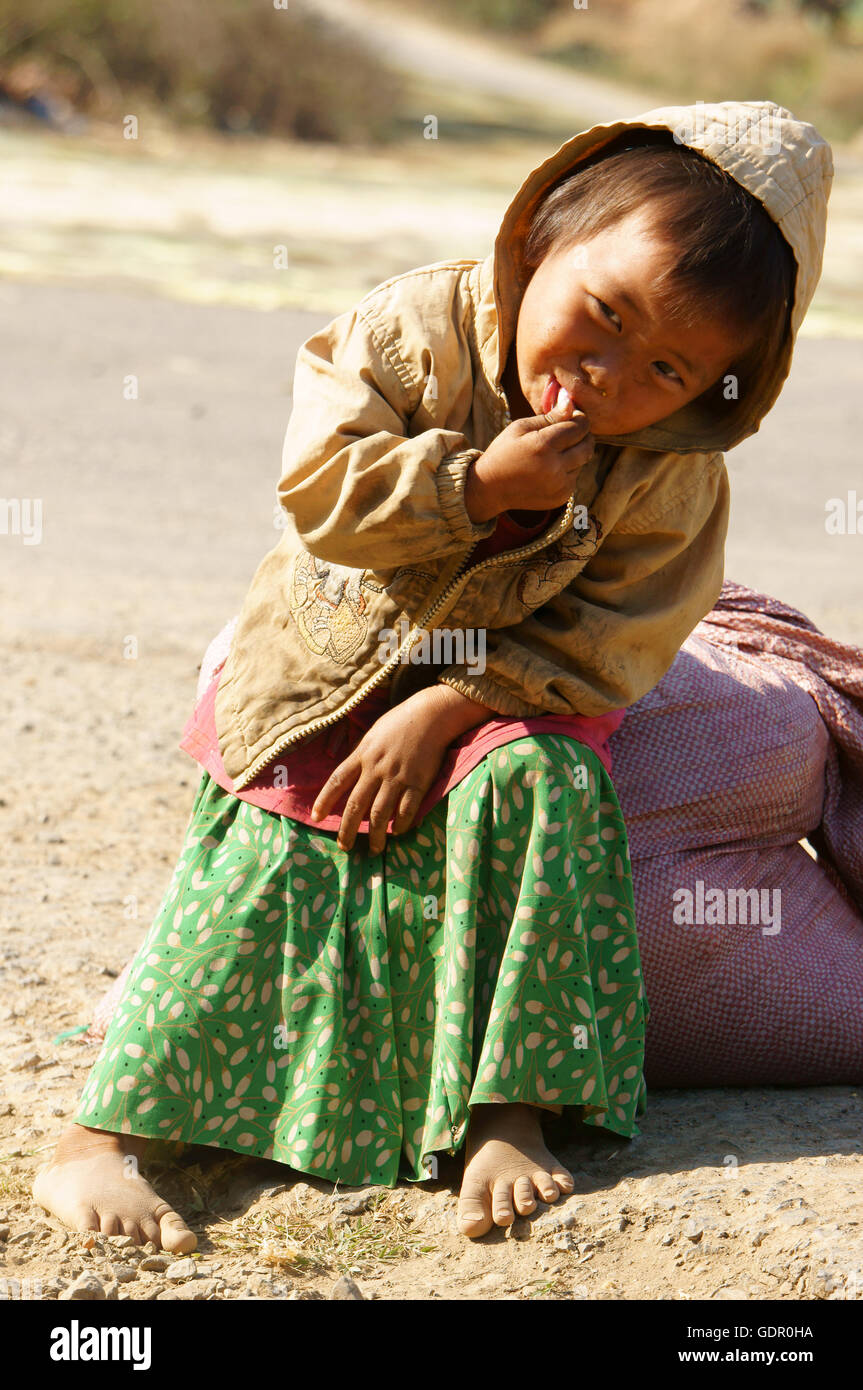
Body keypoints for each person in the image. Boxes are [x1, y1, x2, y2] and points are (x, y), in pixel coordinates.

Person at [33, 100, 832, 1252]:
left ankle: (504, 1110)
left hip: (505, 694)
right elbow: (319, 491)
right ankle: (98, 1137)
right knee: (281, 846)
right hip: (331, 669)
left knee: (553, 796)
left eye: (665, 367)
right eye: (599, 317)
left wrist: (451, 709)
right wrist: (472, 486)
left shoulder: (666, 475)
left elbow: (621, 637)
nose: (607, 376)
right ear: (542, 237)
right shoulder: (412, 331)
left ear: (716, 391)